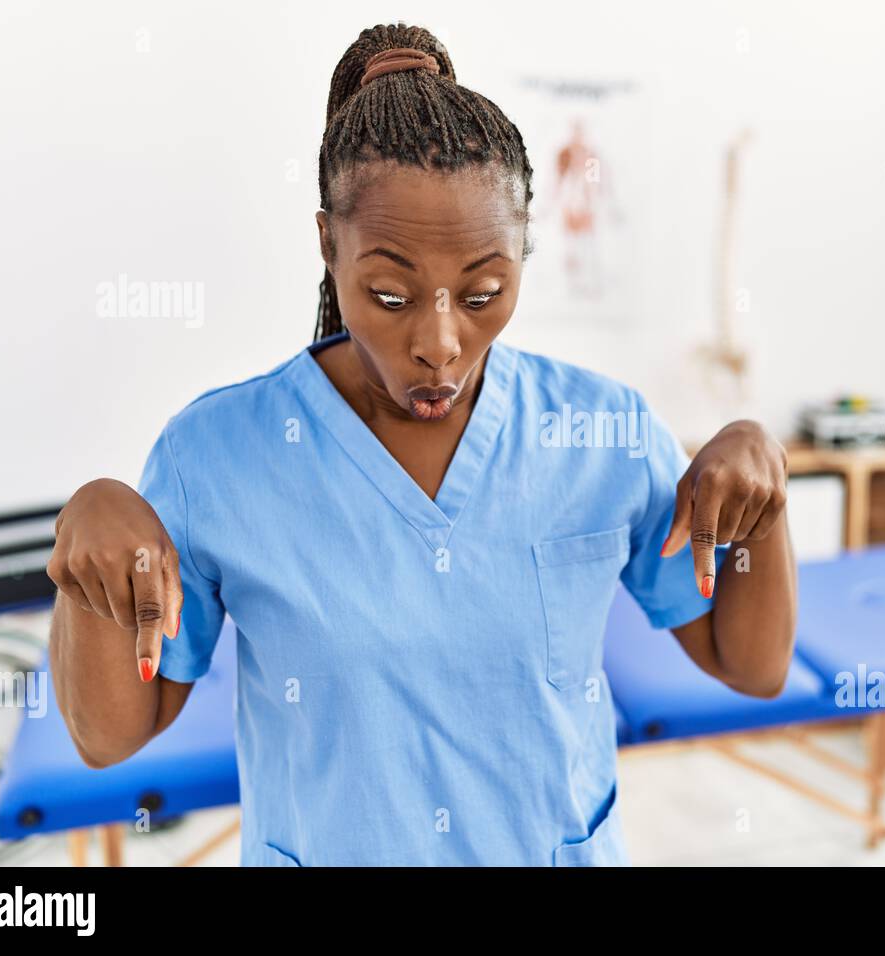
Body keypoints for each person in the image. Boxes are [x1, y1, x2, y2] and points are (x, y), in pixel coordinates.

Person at [47, 23, 796, 866]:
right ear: (328, 245)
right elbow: (106, 739)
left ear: (523, 255)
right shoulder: (216, 458)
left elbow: (754, 666)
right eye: (391, 294)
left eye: (482, 292)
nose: (440, 342)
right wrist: (90, 535)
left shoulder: (603, 434)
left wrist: (759, 485)